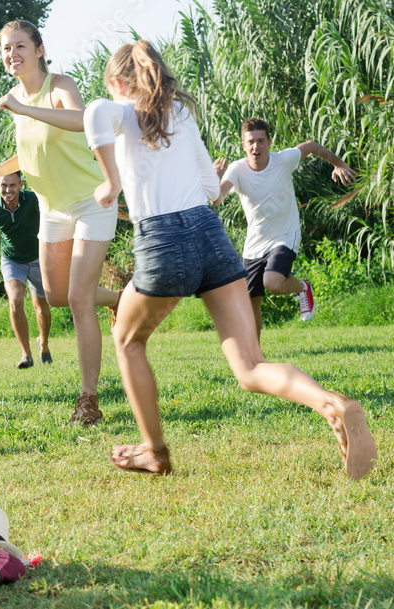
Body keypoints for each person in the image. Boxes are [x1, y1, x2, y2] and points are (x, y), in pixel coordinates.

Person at [84, 39, 377, 479]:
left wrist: (111, 182)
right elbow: (207, 187)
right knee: (251, 365)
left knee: (128, 341)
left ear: (119, 83)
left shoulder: (119, 111)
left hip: (164, 240)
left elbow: (93, 114)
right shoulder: (182, 116)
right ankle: (332, 403)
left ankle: (154, 451)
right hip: (211, 236)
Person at [0, 20, 121, 426]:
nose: (11, 54)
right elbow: (32, 151)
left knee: (77, 300)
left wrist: (22, 108)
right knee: (57, 296)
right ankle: (115, 299)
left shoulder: (59, 85)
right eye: (6, 49)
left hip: (92, 202)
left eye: (19, 46)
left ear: (39, 50)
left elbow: (80, 121)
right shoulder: (17, 98)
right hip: (52, 209)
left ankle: (89, 400)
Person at [213, 119, 358, 337]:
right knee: (251, 303)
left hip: (285, 235)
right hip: (254, 245)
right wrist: (215, 179)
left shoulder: (283, 160)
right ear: (243, 145)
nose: (256, 146)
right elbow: (217, 198)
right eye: (251, 142)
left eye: (261, 141)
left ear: (269, 142)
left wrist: (338, 163)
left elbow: (312, 146)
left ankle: (302, 288)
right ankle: (256, 357)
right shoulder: (237, 170)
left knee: (272, 282)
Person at [0, 171, 52, 368]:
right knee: (15, 299)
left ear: (21, 185)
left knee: (43, 309)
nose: (8, 190)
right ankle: (26, 355)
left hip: (39, 259)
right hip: (12, 260)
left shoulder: (32, 199)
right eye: (4, 185)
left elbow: (53, 213)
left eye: (12, 185)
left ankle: (44, 344)